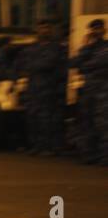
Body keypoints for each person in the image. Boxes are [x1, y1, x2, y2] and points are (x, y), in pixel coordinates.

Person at [16, 21, 67, 156]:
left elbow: (48, 64)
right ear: (37, 31)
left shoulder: (56, 48)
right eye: (41, 28)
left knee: (47, 118)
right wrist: (32, 67)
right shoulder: (31, 48)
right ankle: (36, 145)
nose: (44, 31)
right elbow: (22, 64)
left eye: (47, 28)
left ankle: (48, 146)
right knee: (32, 117)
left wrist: (33, 66)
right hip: (33, 88)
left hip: (49, 88)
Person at [70, 19, 107, 165]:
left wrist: (85, 65)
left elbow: (101, 62)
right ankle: (89, 155)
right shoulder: (88, 48)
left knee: (104, 123)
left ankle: (105, 156)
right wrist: (87, 47)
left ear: (104, 30)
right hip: (89, 89)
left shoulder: (106, 47)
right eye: (94, 29)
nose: (96, 31)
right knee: (87, 122)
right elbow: (73, 63)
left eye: (99, 28)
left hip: (104, 89)